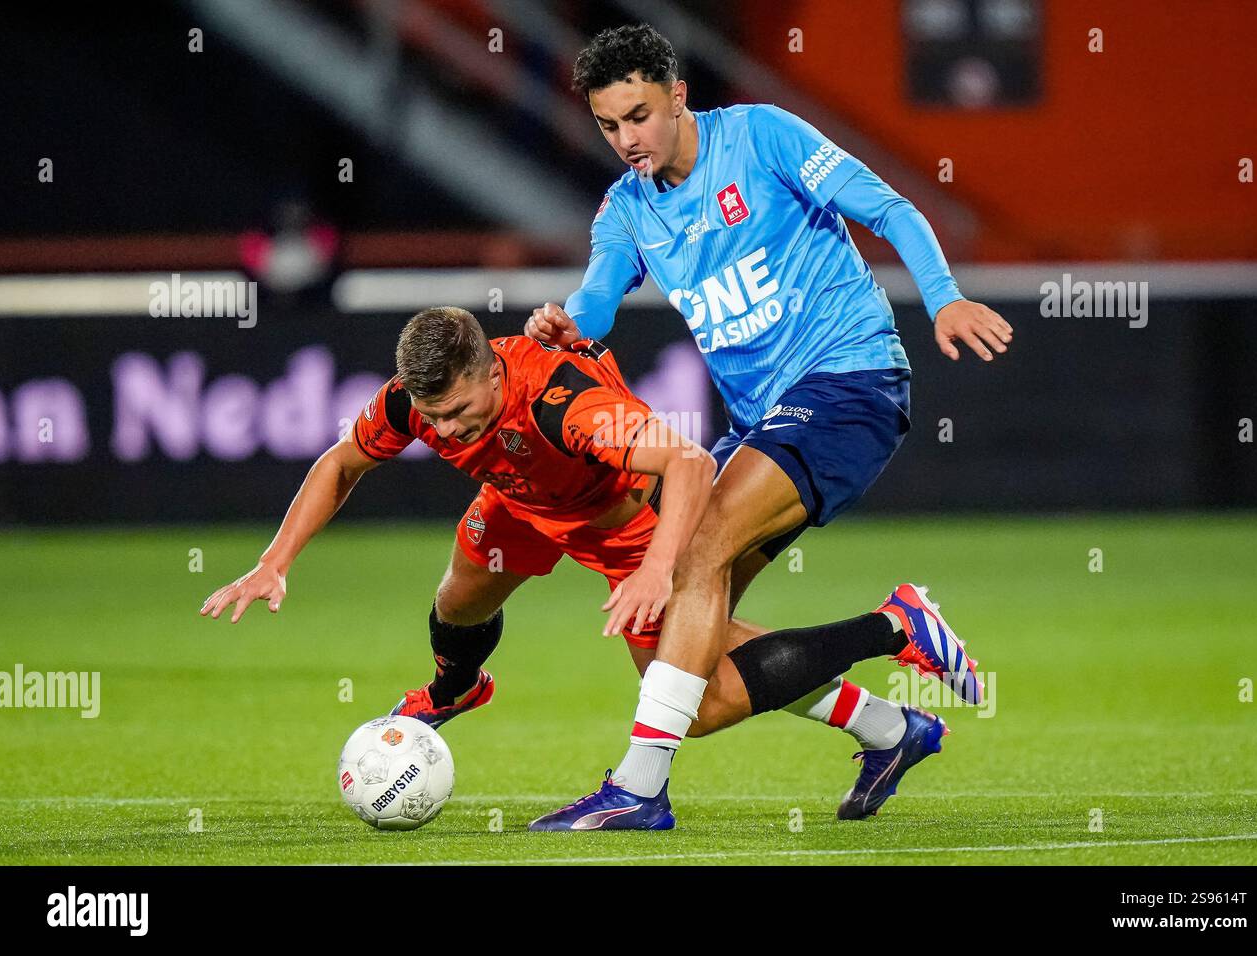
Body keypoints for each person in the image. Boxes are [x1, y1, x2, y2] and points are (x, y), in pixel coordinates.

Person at [199, 308, 975, 830]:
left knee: (698, 701)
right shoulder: (416, 401)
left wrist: (657, 570)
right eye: (433, 419)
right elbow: (341, 463)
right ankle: (457, 687)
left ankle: (893, 627)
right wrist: (275, 561)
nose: (446, 430)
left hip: (629, 529)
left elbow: (689, 462)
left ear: (492, 373)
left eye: (462, 415)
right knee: (459, 598)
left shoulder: (562, 404)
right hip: (523, 505)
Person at [525, 24, 1002, 830]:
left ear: (679, 96)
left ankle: (639, 790)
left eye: (639, 115)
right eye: (609, 125)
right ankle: (892, 713)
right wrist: (573, 326)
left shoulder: (760, 137)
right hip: (761, 422)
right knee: (693, 675)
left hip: (851, 380)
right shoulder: (627, 211)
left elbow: (888, 208)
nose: (627, 139)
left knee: (700, 545)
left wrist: (944, 294)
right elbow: (600, 297)